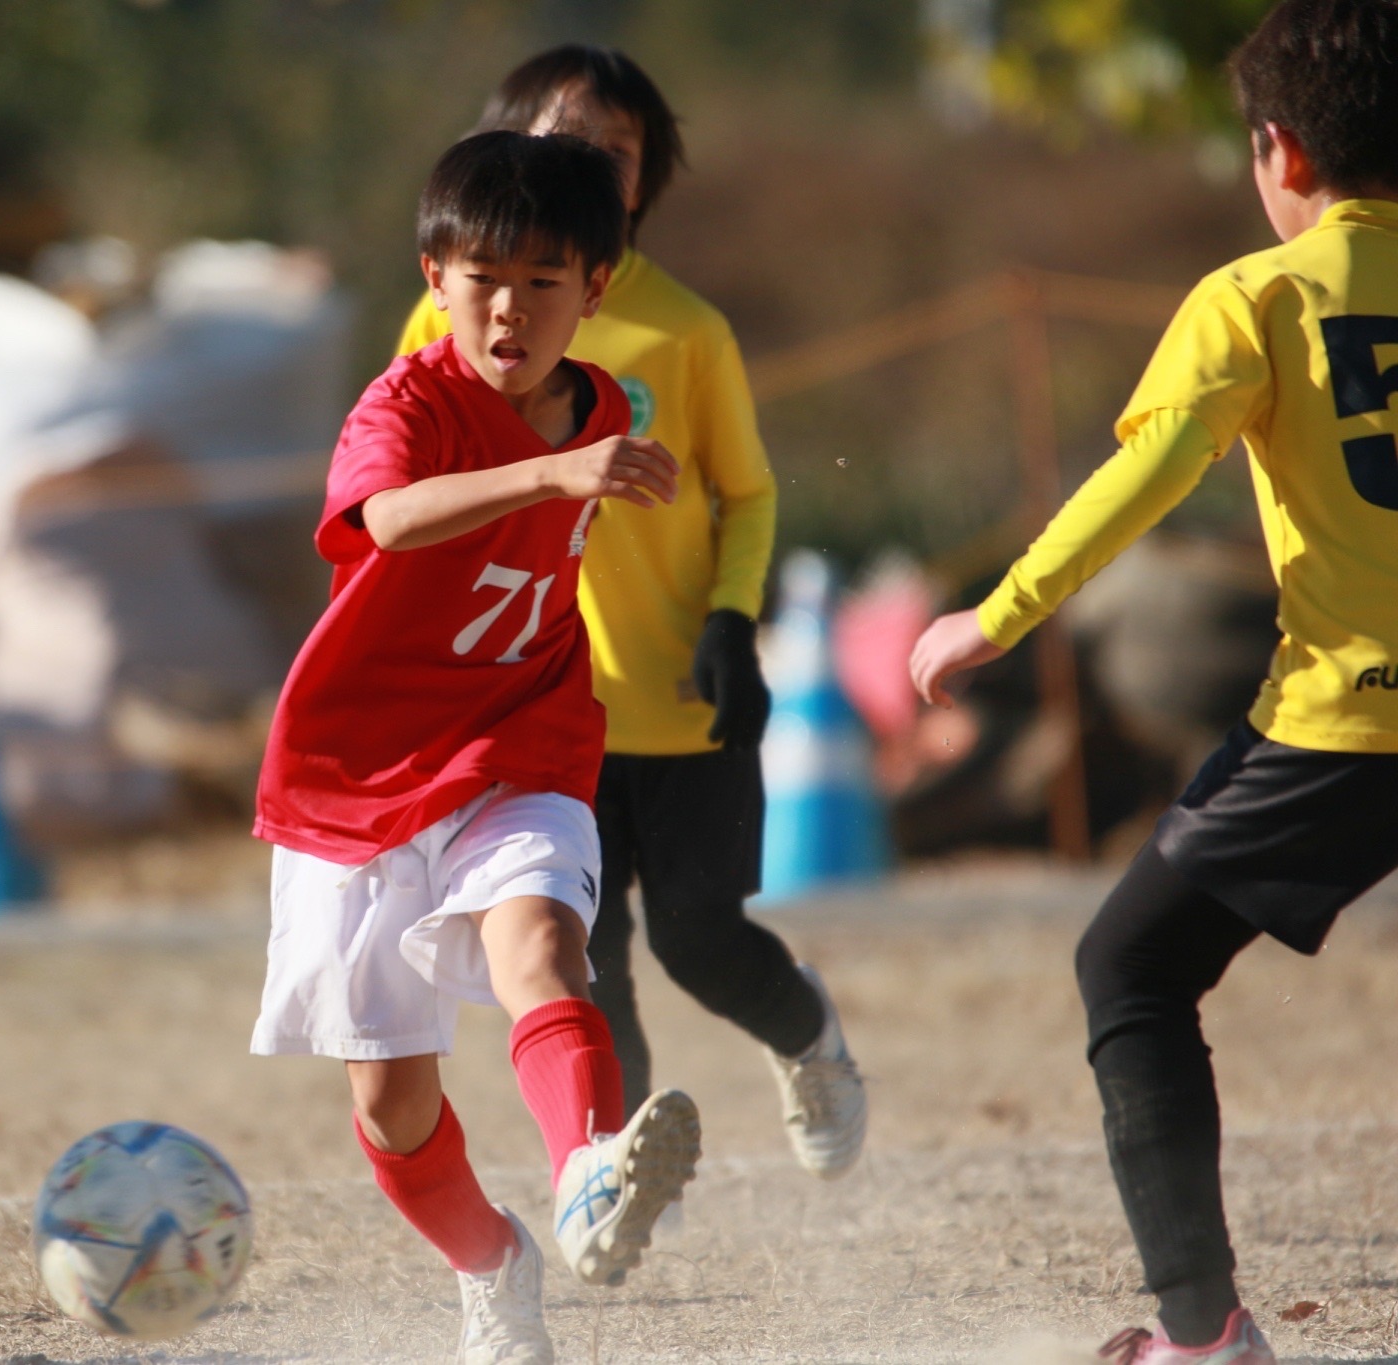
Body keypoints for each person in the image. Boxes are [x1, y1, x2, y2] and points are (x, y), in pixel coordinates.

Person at [909, 2, 1398, 1359]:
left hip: (1351, 720)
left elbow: (1150, 473)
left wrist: (997, 615)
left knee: (1130, 964)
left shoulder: (1259, 294)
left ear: (1279, 150)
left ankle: (1202, 1335)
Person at [252, 130, 701, 1362]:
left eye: (543, 281)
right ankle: (491, 1264)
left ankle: (586, 1176)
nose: (509, 309)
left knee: (545, 949)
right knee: (391, 1108)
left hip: (522, 744)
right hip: (362, 775)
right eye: (480, 278)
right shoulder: (403, 402)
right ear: (432, 277)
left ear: (594, 290)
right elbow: (387, 520)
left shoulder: (603, 405)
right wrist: (556, 478)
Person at [398, 46, 865, 1177]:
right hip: (547, 716)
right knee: (581, 962)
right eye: (567, 142)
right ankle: (604, 1177)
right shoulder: (443, 324)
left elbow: (746, 493)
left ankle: (807, 1038)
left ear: (646, 179)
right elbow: (404, 504)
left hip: (680, 702)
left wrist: (729, 623)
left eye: (618, 151)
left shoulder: (684, 331)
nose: (594, 166)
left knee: (700, 943)